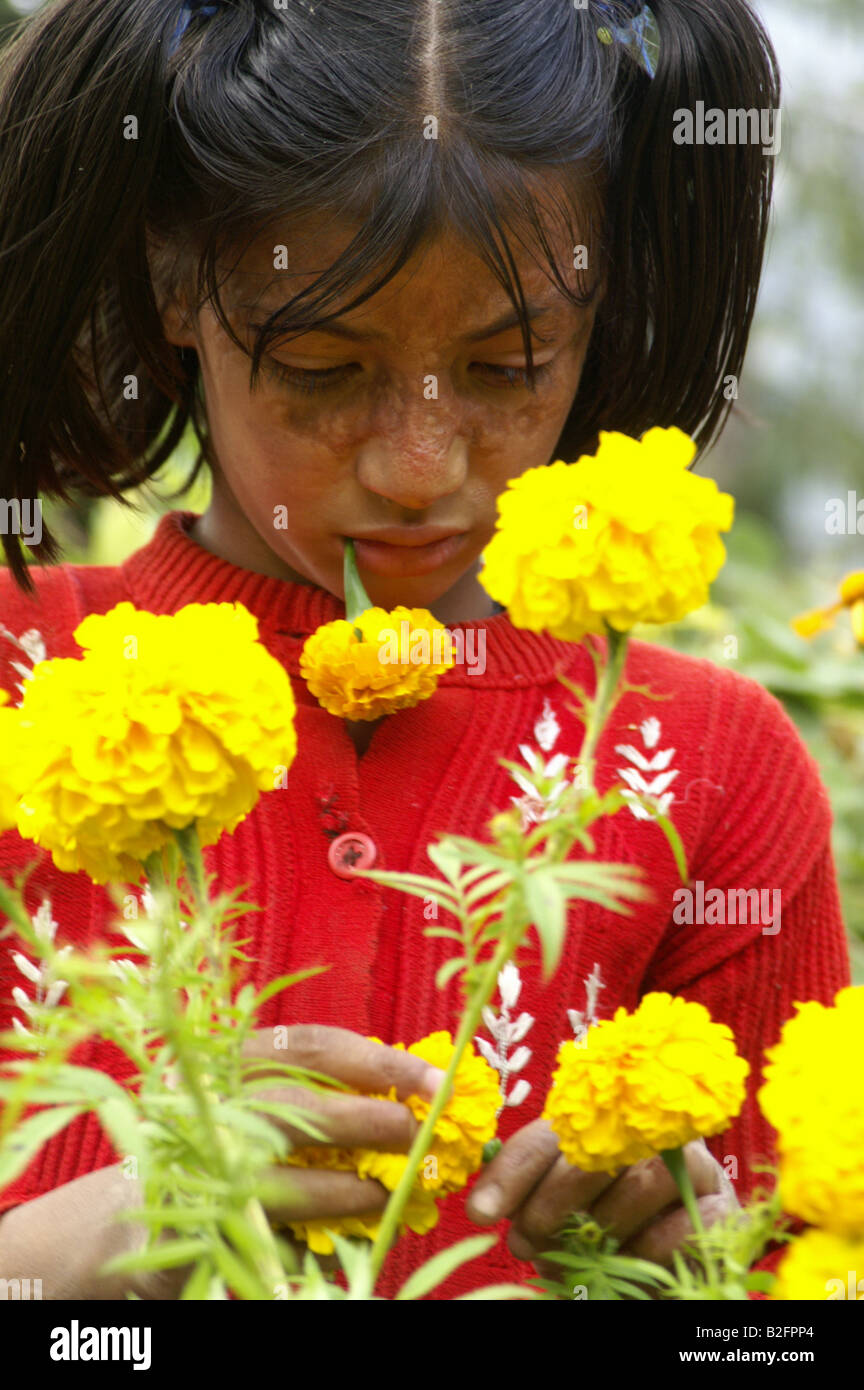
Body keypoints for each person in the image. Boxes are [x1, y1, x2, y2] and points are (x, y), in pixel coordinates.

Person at [0, 0, 849, 1300]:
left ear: (602, 302)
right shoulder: (24, 674)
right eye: (329, 370)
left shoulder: (718, 770)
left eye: (509, 366)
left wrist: (711, 1250)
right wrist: (79, 1249)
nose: (419, 468)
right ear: (175, 277)